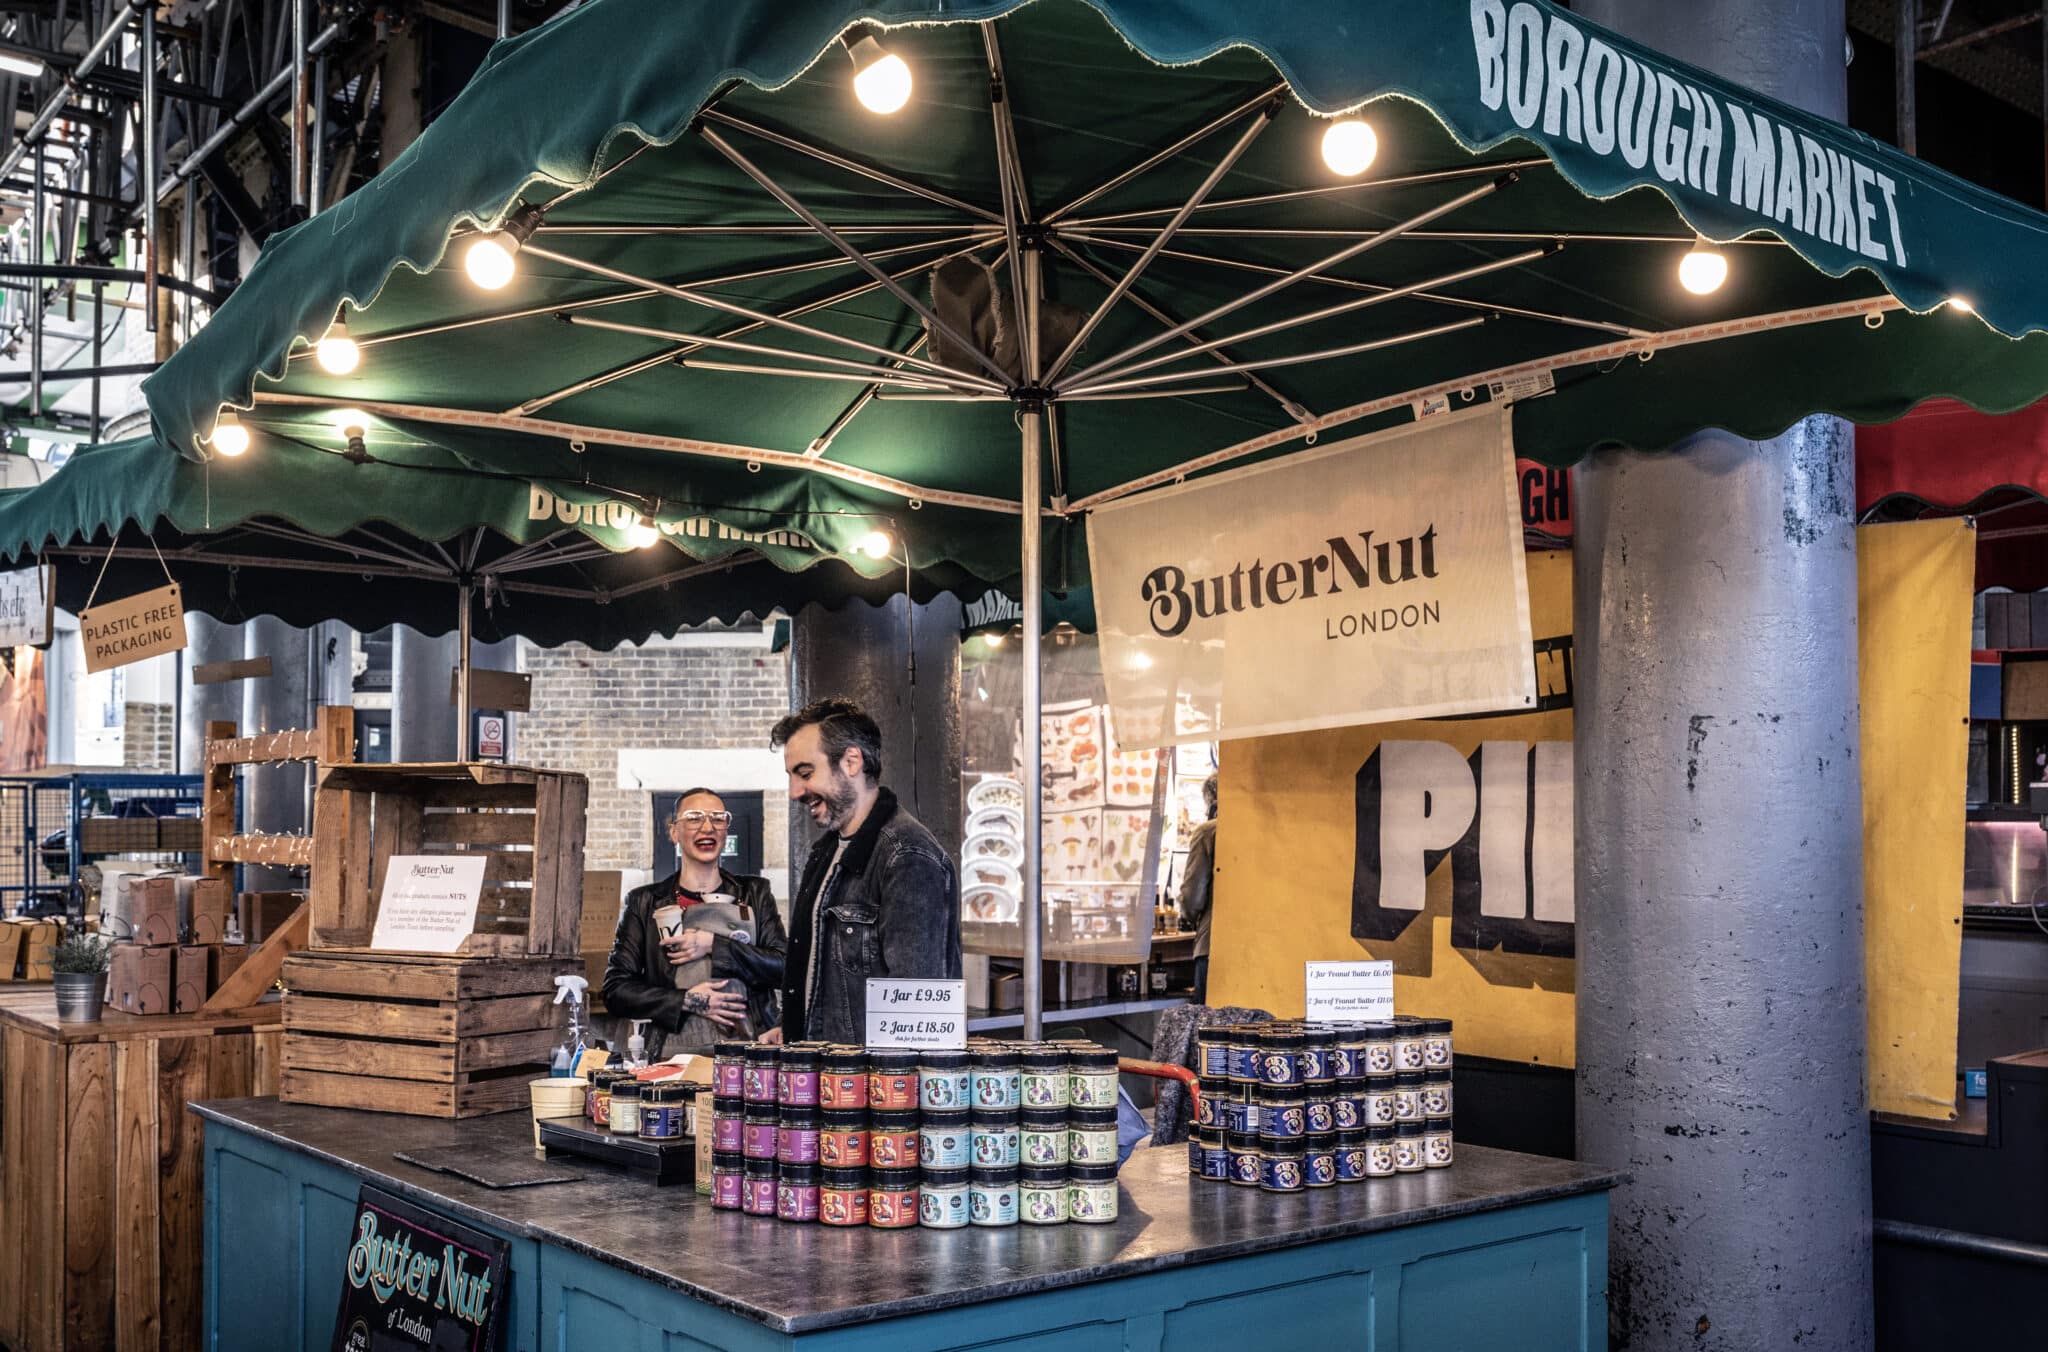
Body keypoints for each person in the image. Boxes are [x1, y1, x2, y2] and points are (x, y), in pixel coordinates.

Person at [766, 698, 960, 1045]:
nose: (795, 791)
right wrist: (793, 1027)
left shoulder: (907, 855)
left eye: (805, 773)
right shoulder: (827, 850)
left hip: (868, 1090)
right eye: (792, 776)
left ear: (851, 761)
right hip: (821, 1079)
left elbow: (915, 1016)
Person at [603, 788, 787, 1059]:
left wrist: (713, 944)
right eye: (694, 818)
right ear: (674, 832)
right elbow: (616, 990)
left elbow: (783, 968)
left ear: (726, 830)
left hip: (750, 1052)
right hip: (671, 1056)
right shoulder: (644, 902)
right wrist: (689, 1000)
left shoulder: (755, 894)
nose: (707, 827)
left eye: (718, 818)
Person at [1179, 774, 1218, 1004]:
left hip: (1212, 946)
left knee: (1208, 1026)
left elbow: (1192, 898)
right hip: (1262, 946)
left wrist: (1187, 916)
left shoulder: (1207, 833)